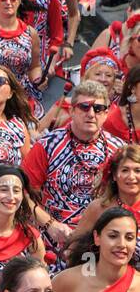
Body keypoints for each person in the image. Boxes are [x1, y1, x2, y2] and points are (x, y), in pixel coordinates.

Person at [25, 81, 125, 244]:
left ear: (106, 114)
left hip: (104, 239)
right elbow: (22, 193)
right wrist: (50, 224)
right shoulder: (47, 145)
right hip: (54, 237)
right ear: (71, 110)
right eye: (84, 107)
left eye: (98, 109)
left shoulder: (119, 150)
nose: (91, 114)